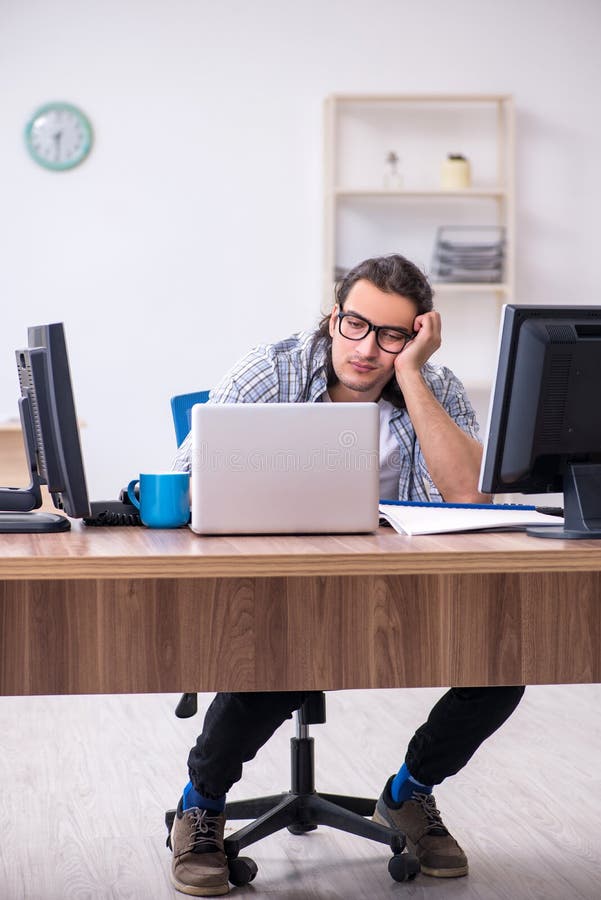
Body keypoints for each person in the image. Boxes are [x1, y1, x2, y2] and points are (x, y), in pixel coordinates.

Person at [169, 254, 525, 896]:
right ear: (334, 317)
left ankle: (408, 794)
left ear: (417, 336)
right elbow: (188, 483)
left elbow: (472, 497)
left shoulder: (434, 386)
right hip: (282, 587)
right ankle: (200, 807)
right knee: (278, 661)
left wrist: (410, 375)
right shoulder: (271, 370)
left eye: (391, 336)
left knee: (501, 668)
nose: (366, 349)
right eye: (355, 325)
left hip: (401, 592)